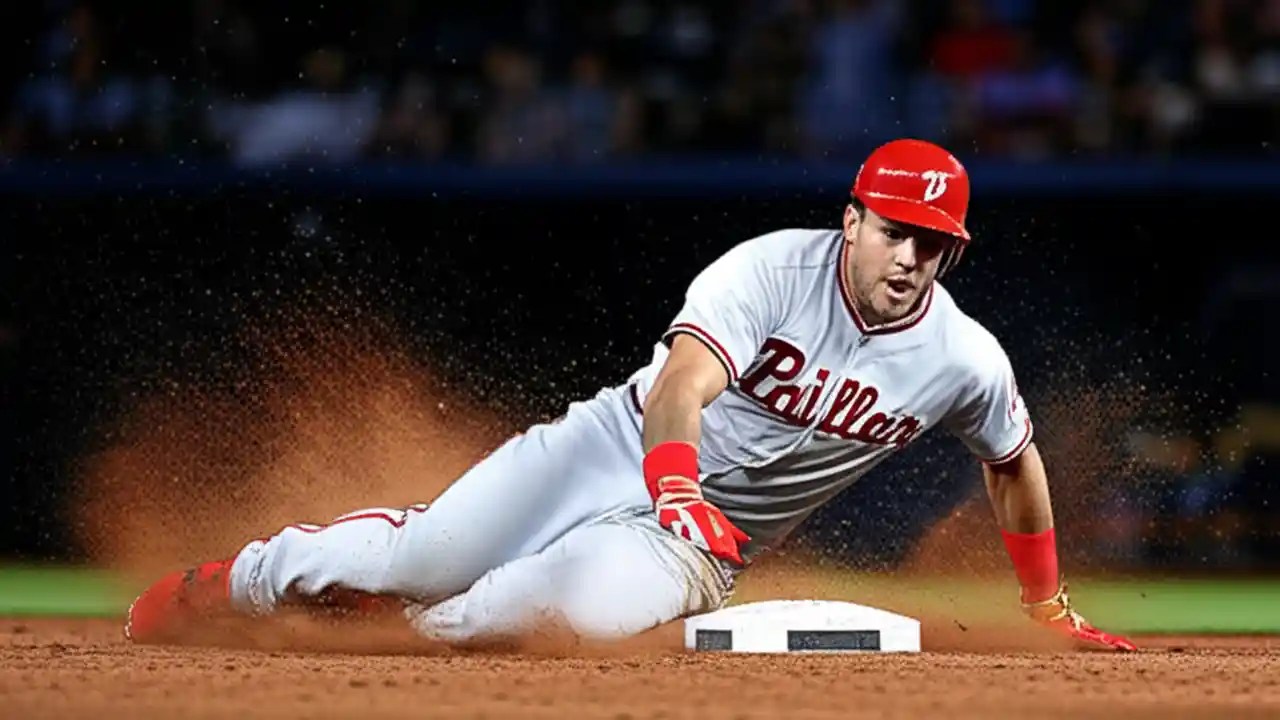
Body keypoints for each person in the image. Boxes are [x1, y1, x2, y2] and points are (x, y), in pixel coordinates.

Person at [124, 138, 1136, 652]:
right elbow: (683, 387)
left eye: (931, 243)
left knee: (536, 620)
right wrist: (674, 479)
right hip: (613, 448)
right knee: (423, 557)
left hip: (696, 542)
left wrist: (1042, 599)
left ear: (951, 252)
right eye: (891, 230)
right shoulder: (769, 271)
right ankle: (255, 579)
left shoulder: (963, 358)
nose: (908, 256)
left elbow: (1012, 464)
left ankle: (390, 630)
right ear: (850, 221)